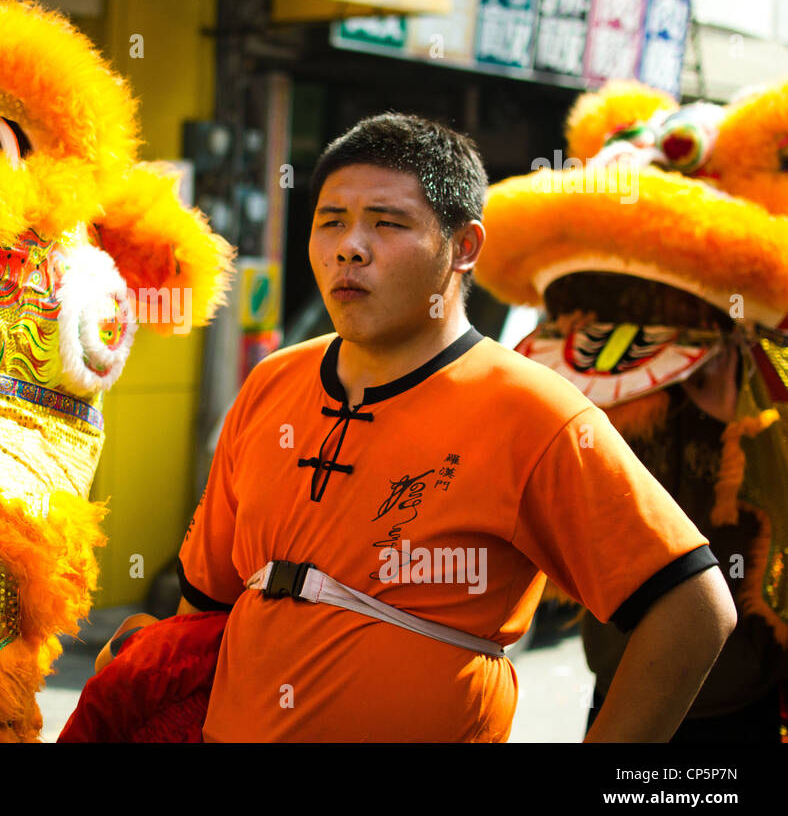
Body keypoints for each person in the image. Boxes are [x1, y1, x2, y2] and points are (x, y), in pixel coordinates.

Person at [174, 113, 737, 742]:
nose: (349, 246)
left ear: (464, 247)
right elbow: (202, 604)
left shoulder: (534, 411)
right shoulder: (272, 382)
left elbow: (693, 608)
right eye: (332, 221)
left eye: (387, 223)